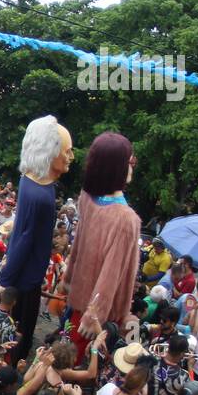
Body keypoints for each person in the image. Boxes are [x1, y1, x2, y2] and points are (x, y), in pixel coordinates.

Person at [60, 132, 141, 341]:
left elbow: (77, 244)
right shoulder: (125, 218)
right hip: (96, 319)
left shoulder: (87, 197)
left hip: (77, 299)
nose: (132, 166)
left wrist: (68, 279)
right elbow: (110, 274)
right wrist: (94, 314)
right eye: (128, 161)